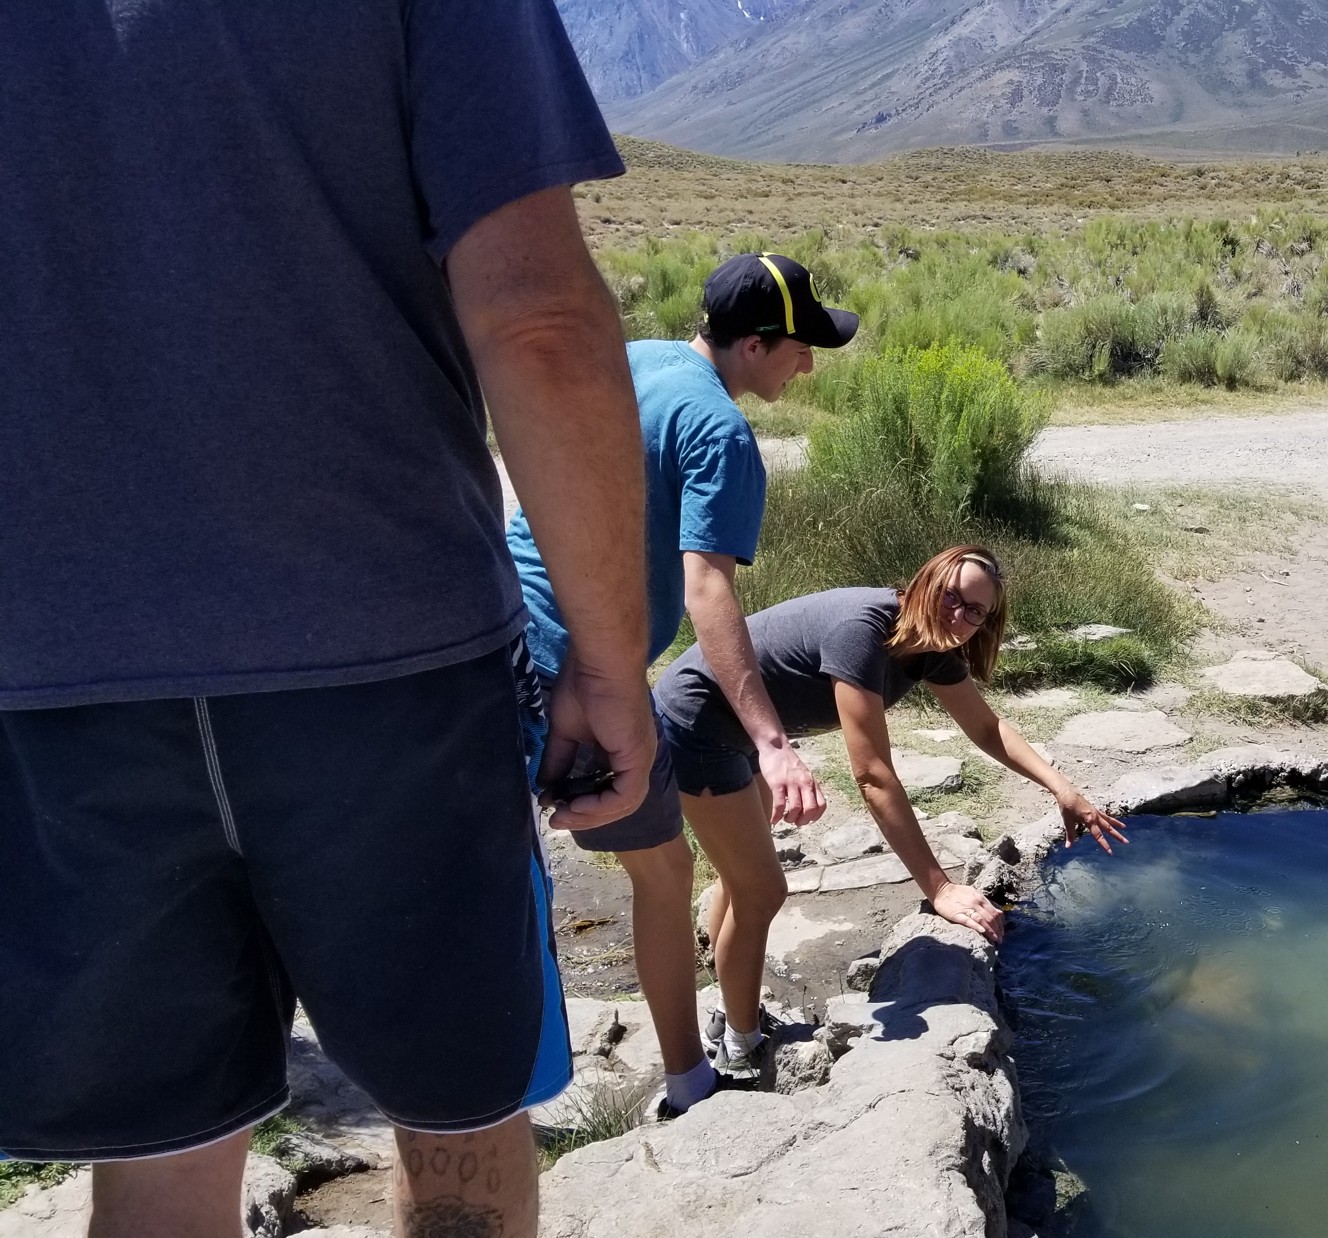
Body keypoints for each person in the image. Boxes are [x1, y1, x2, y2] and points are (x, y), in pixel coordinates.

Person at [2, 4, 650, 1236]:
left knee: (157, 1165)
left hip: (56, 684)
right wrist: (609, 663)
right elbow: (539, 321)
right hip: (391, 670)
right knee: (460, 1122)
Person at [506, 253, 855, 1114]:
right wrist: (774, 744)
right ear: (754, 343)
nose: (808, 362)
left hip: (493, 622)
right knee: (629, 879)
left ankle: (681, 1081)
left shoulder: (639, 358)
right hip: (572, 671)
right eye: (800, 346)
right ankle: (637, 1089)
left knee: (613, 870)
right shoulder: (723, 434)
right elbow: (708, 589)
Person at [655, 545, 1129, 1055]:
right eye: (951, 597)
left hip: (745, 725)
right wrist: (940, 887)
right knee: (761, 890)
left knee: (743, 876)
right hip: (697, 722)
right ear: (924, 582)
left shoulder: (932, 644)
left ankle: (731, 1008)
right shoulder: (863, 631)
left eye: (975, 612)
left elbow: (987, 728)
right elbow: (873, 776)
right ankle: (741, 1050)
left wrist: (1063, 788)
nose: (958, 615)